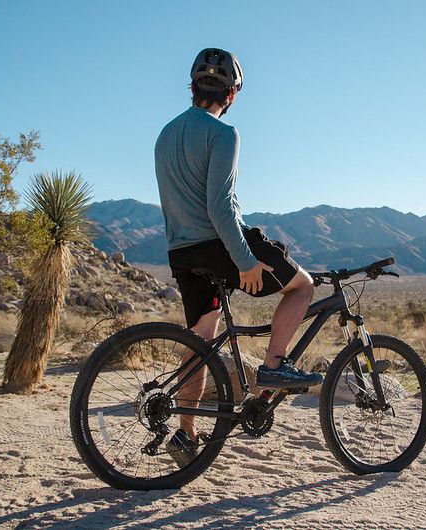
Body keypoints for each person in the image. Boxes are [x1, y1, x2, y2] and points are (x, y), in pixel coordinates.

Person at [154, 48, 323, 466]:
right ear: (231, 95)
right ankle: (274, 367)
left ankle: (186, 435)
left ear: (192, 88)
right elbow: (220, 206)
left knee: (199, 343)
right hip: (218, 243)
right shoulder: (223, 134)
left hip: (180, 250)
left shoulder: (165, 134)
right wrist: (245, 261)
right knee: (303, 285)